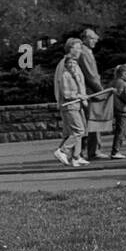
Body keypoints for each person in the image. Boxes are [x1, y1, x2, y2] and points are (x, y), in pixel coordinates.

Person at [52, 38, 88, 167]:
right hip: (70, 104)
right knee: (78, 131)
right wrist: (80, 96)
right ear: (70, 49)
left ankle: (76, 157)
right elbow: (67, 91)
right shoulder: (67, 66)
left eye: (80, 48)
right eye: (77, 48)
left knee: (74, 132)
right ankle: (62, 151)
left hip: (75, 103)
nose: (80, 51)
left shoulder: (72, 64)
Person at [79, 27, 107, 161]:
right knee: (94, 122)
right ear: (84, 39)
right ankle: (94, 151)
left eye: (95, 38)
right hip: (91, 92)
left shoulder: (86, 51)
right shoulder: (84, 53)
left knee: (92, 122)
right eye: (91, 38)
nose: (95, 41)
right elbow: (90, 75)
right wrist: (101, 90)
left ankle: (90, 150)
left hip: (92, 91)